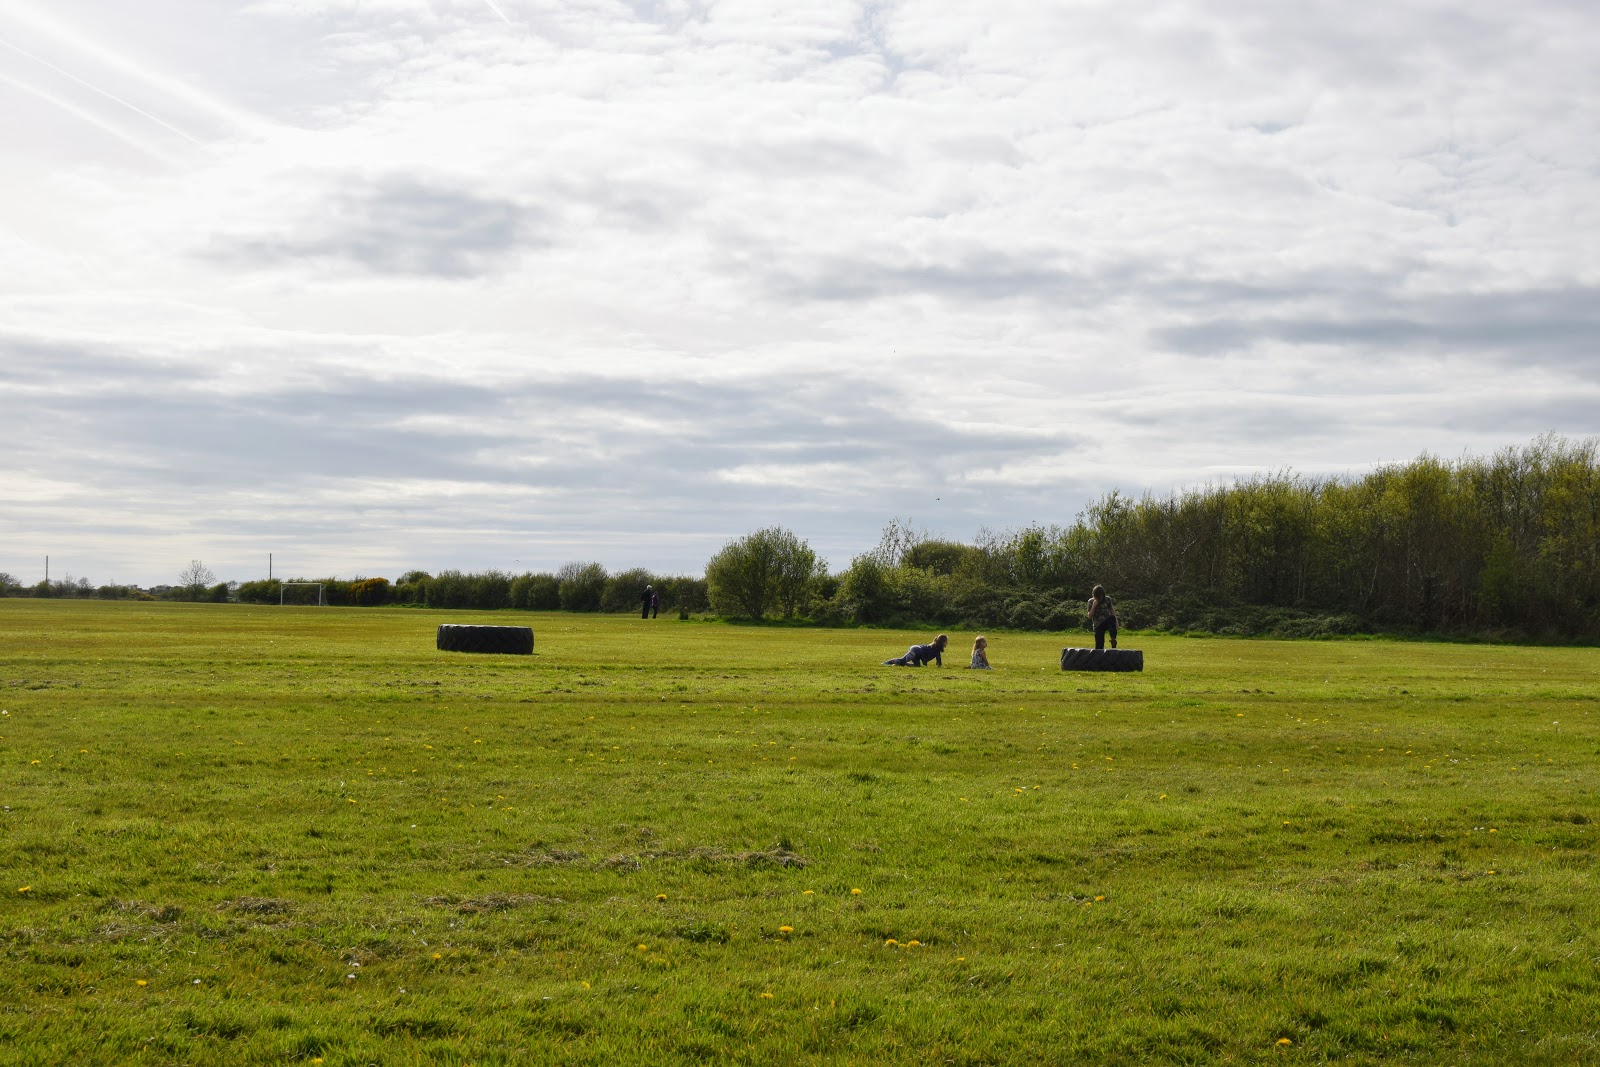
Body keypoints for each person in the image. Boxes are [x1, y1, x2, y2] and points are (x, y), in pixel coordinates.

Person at [883, 634, 948, 667]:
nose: (947, 643)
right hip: (916, 650)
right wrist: (939, 666)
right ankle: (886, 663)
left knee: (917, 666)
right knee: (903, 659)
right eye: (946, 642)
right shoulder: (936, 649)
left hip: (917, 652)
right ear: (942, 642)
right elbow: (939, 662)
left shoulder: (935, 647)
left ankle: (900, 664)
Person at [1087, 584, 1118, 649]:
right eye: (1097, 597)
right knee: (1099, 644)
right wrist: (1093, 606)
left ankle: (1113, 639)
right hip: (1098, 624)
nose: (1099, 599)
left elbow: (1112, 611)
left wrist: (1116, 622)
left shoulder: (1108, 599)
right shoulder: (1091, 601)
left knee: (1111, 618)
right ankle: (1099, 656)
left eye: (1100, 597)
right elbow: (1090, 616)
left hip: (1107, 621)